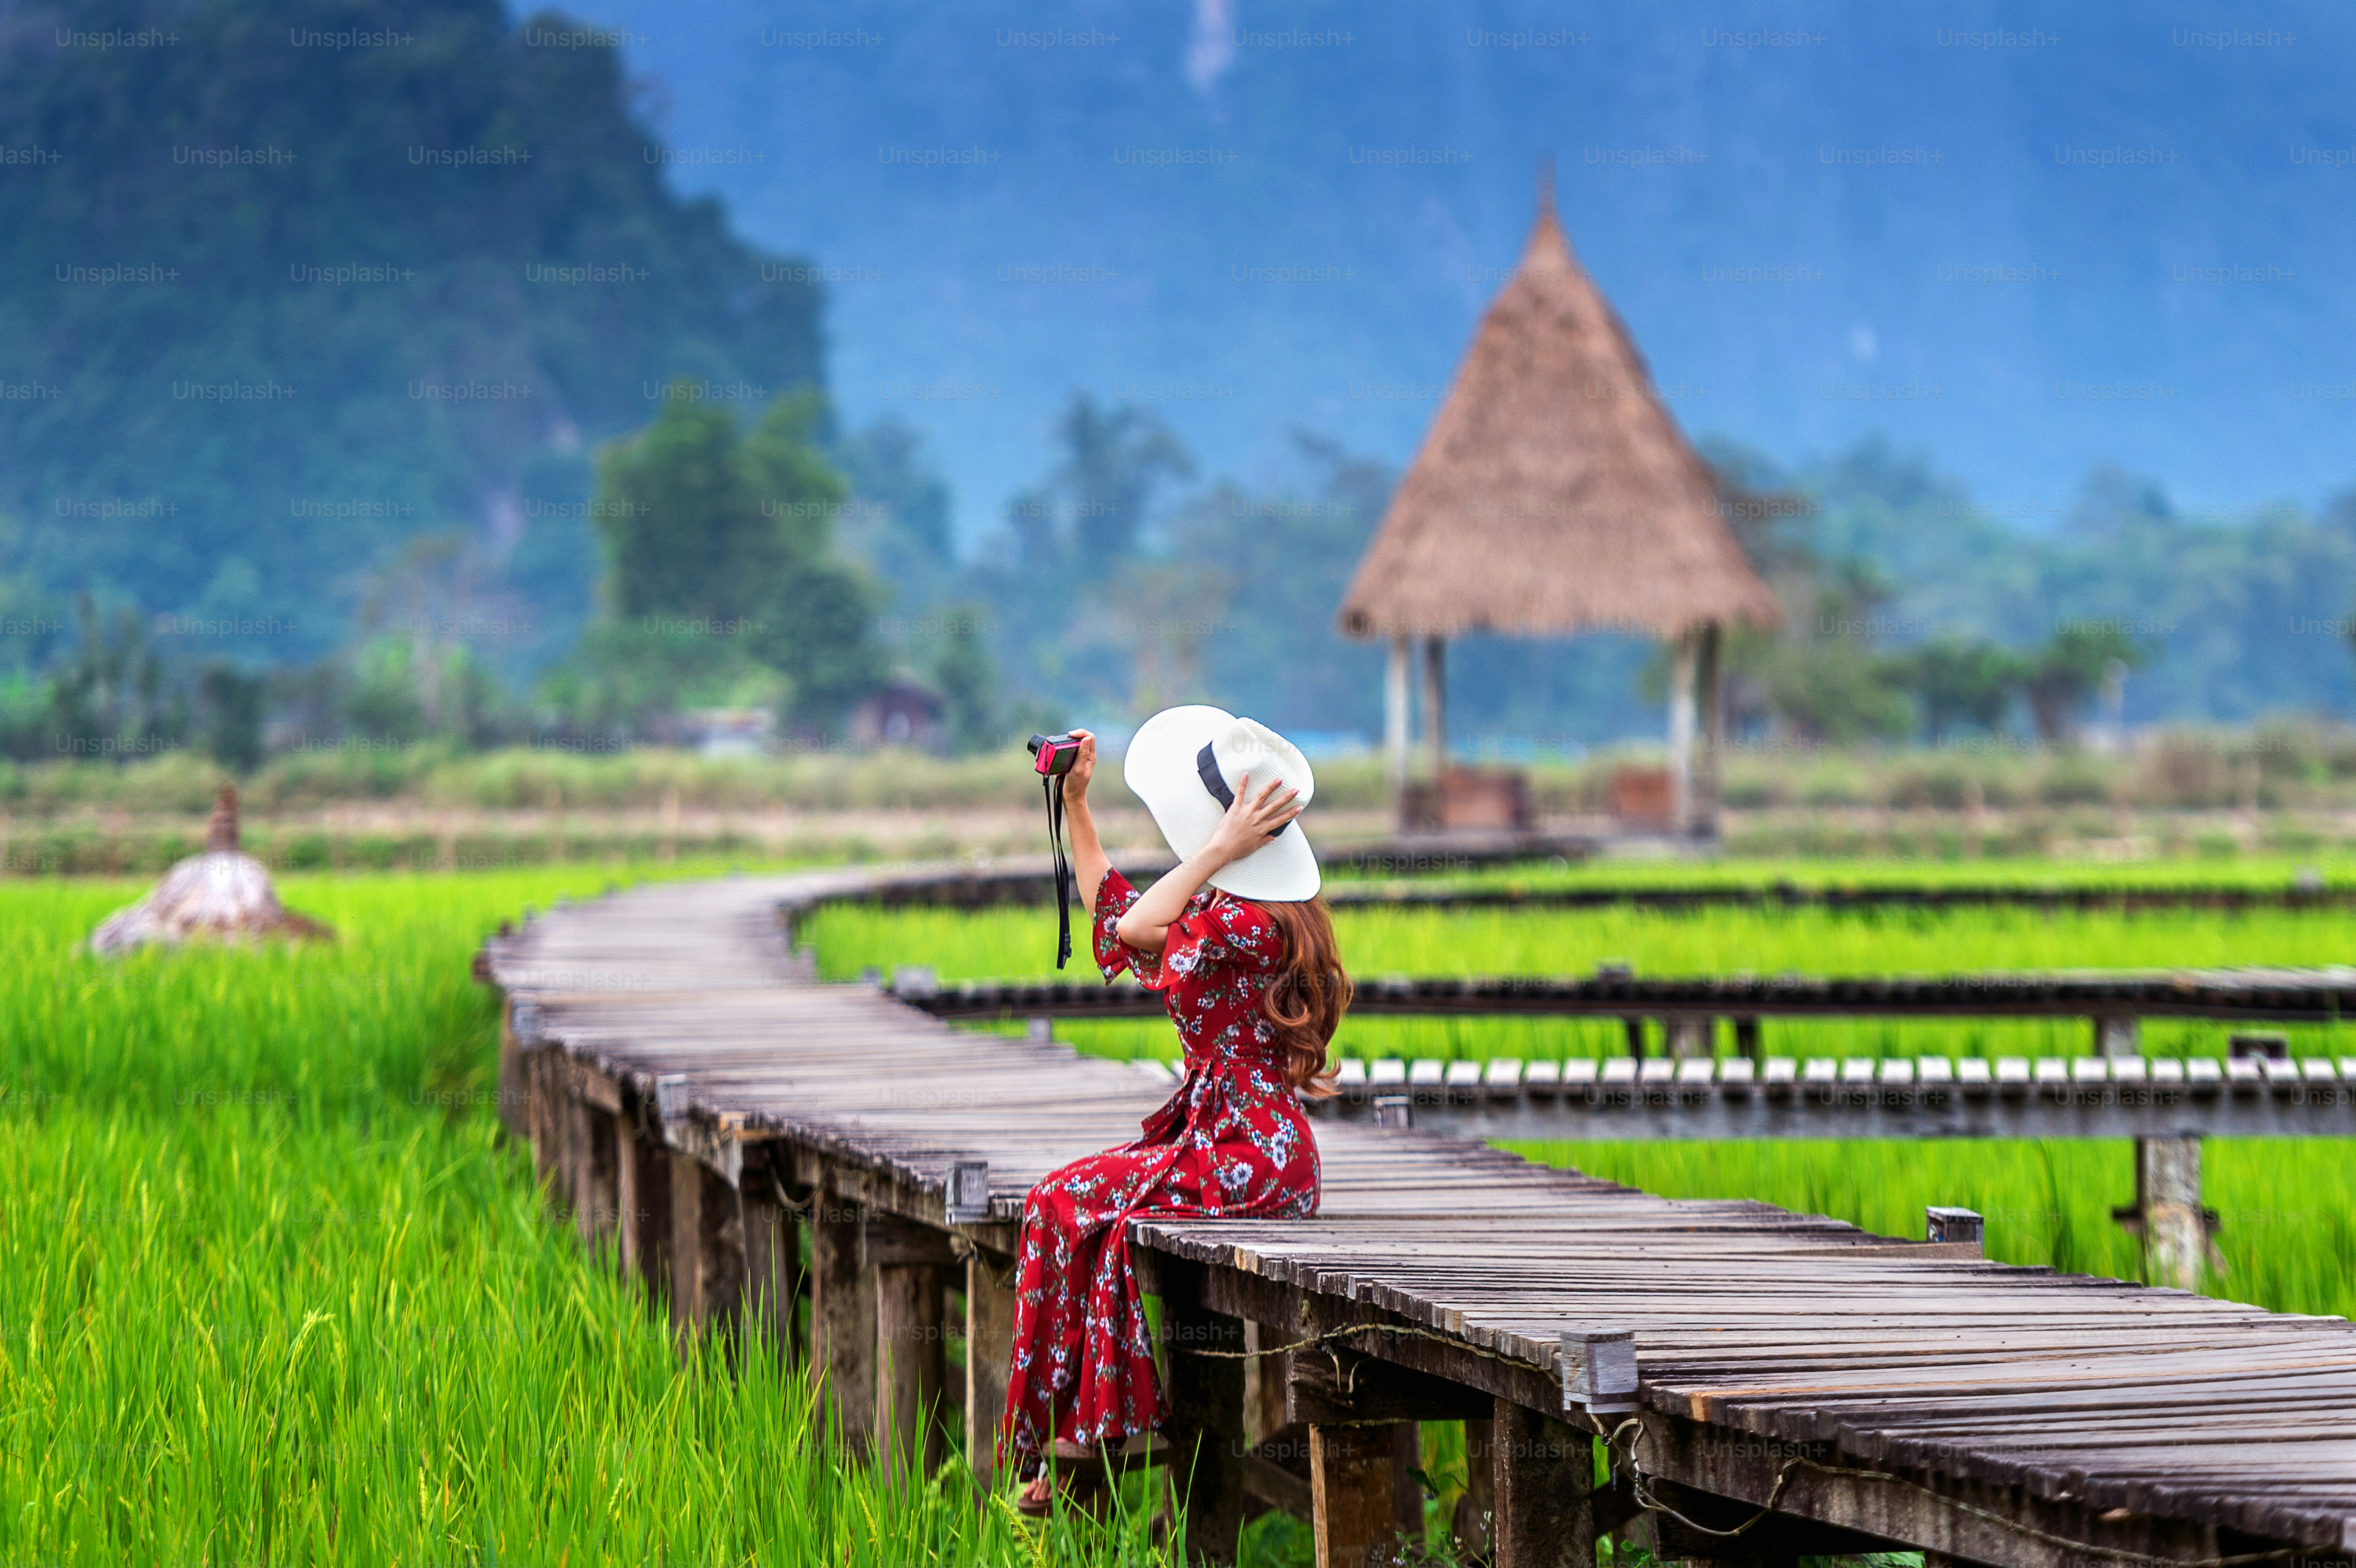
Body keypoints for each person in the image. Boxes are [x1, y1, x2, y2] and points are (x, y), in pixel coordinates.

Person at [1002, 706, 1351, 1516]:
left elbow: (1134, 924)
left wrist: (1220, 848)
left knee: (1065, 1199)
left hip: (1254, 1151)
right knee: (1065, 1201)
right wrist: (1077, 803)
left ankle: (1077, 1445)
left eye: (1217, 832)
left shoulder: (1253, 924)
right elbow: (1115, 910)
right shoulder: (1221, 912)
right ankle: (1066, 1441)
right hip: (1220, 1133)